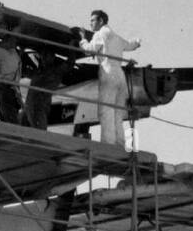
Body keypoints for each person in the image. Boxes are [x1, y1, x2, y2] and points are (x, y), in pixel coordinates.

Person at [77, 10, 141, 147]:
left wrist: (82, 38)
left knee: (106, 110)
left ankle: (108, 143)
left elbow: (90, 49)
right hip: (120, 74)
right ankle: (119, 143)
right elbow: (130, 45)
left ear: (101, 21)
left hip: (108, 72)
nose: (91, 23)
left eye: (93, 20)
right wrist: (137, 42)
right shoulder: (115, 36)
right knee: (118, 112)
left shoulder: (101, 33)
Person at [23, 48, 63, 130]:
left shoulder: (54, 72)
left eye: (46, 56)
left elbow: (68, 65)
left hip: (39, 107)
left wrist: (72, 51)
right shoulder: (38, 71)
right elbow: (24, 71)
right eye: (43, 56)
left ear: (52, 58)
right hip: (30, 106)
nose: (43, 58)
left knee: (39, 130)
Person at [0, 34, 23, 124]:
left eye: (3, 41)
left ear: (9, 43)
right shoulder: (16, 57)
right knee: (11, 115)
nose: (1, 43)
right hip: (13, 90)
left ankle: (16, 136)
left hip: (4, 88)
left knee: (6, 117)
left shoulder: (6, 54)